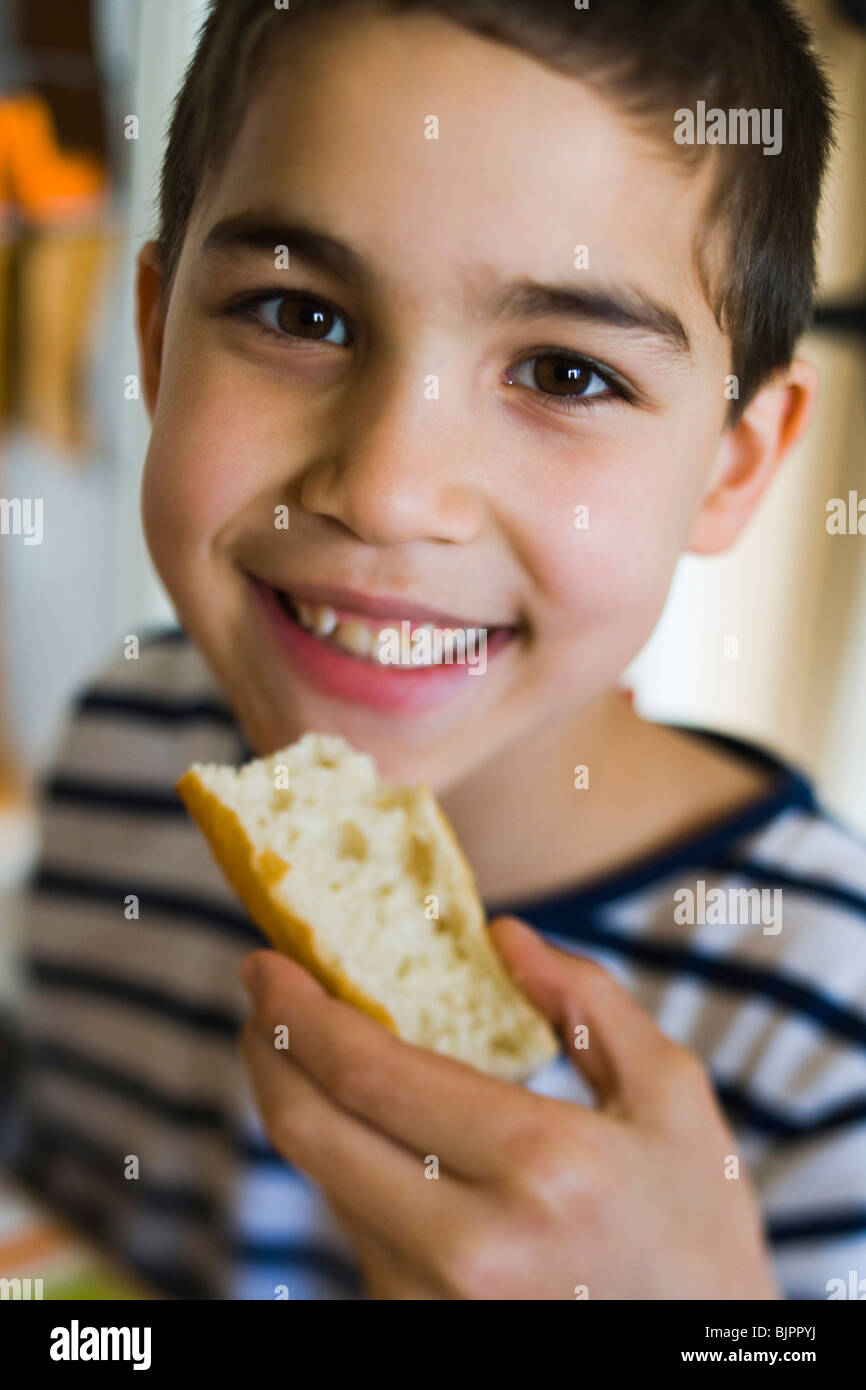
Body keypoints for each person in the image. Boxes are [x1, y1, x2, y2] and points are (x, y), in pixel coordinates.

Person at [6, 0, 865, 1299]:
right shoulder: (125, 738)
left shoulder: (826, 1032)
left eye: (568, 375)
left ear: (728, 469)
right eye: (299, 313)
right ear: (151, 340)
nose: (393, 490)